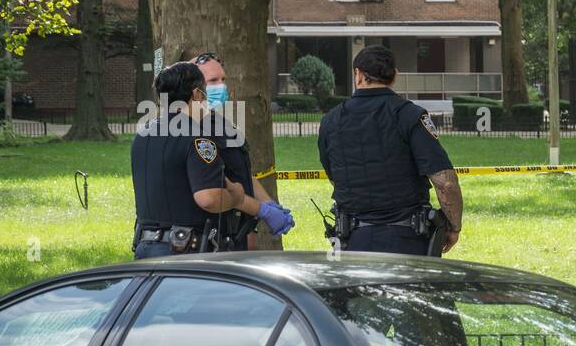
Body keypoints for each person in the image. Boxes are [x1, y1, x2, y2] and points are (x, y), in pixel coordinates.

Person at [130, 62, 289, 258]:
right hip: (186, 252)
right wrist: (238, 198)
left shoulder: (143, 136)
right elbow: (209, 198)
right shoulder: (198, 138)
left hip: (146, 249)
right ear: (197, 94)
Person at [316, 45, 462, 256]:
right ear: (394, 76)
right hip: (407, 240)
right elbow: (445, 183)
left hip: (351, 243)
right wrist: (453, 227)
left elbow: (334, 177)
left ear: (358, 75)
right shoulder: (410, 116)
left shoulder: (330, 122)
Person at [193, 52, 294, 248]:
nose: (221, 86)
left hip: (236, 232)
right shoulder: (193, 130)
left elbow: (242, 174)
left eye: (223, 79)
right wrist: (261, 210)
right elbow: (219, 186)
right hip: (212, 233)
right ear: (196, 89)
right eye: (213, 80)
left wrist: (271, 205)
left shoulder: (221, 124)